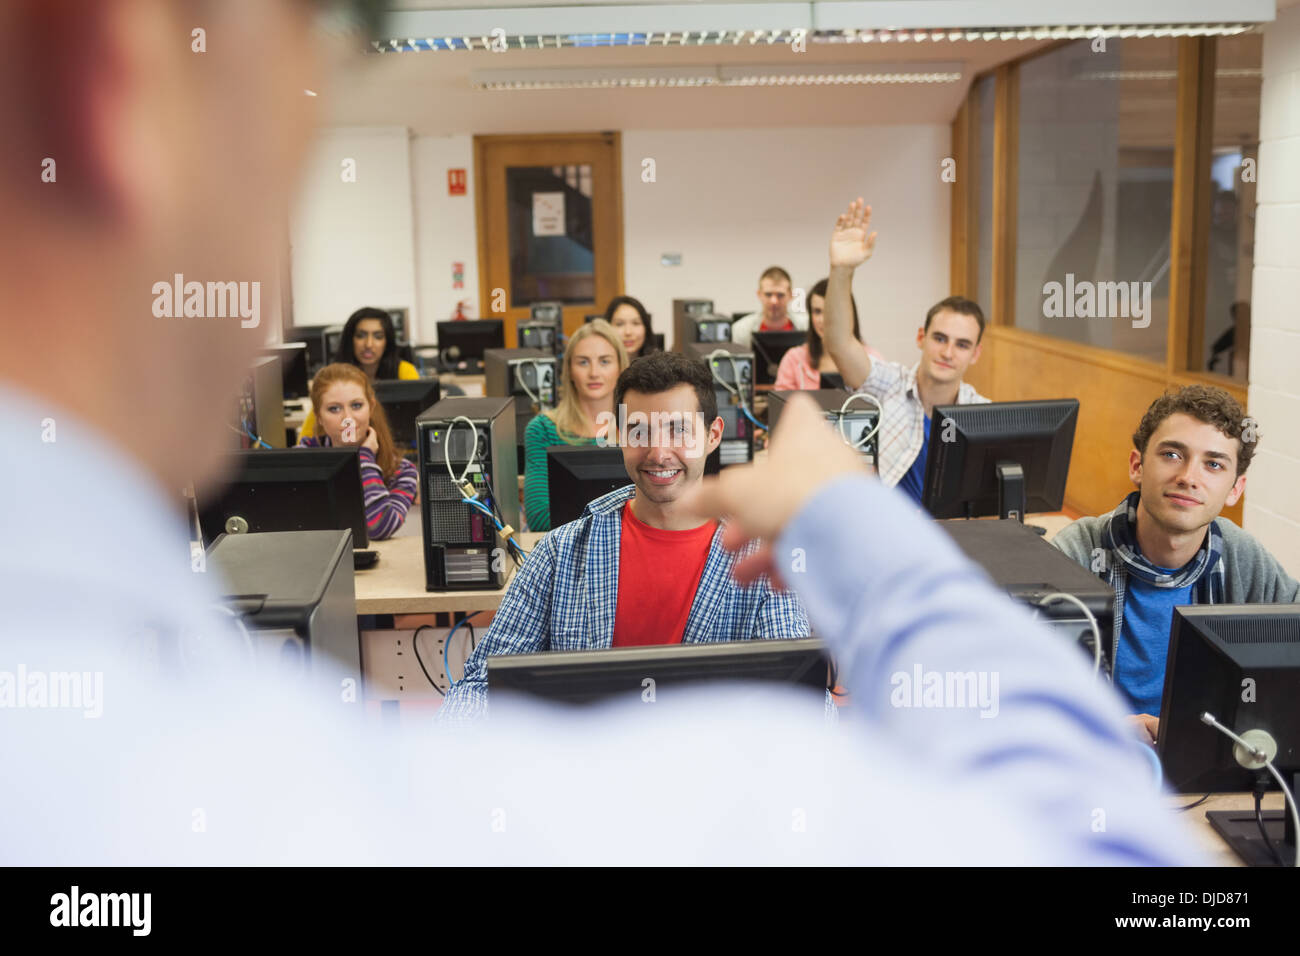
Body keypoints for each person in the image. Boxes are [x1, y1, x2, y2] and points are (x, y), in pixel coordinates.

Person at [0, 0, 1201, 868]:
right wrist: (856, 524)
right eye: (325, 32)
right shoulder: (566, 571)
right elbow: (1105, 829)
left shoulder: (245, 781)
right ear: (120, 64)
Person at [441, 351, 810, 720]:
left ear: (713, 436)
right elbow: (481, 684)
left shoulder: (760, 560)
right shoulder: (561, 552)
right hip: (586, 761)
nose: (658, 452)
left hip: (706, 767)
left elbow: (802, 699)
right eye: (639, 431)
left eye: (678, 429)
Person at [1051, 385, 1299, 744]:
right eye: (1172, 454)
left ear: (1235, 489)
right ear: (1137, 465)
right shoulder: (1076, 552)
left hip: (1207, 764)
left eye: (1213, 464)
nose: (1188, 477)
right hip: (1094, 758)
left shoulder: (1242, 558)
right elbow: (1022, 680)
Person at [823, 198, 990, 504]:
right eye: (940, 338)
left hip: (954, 539)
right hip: (888, 534)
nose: (948, 352)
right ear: (921, 338)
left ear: (975, 354)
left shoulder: (985, 416)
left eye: (962, 344)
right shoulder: (888, 384)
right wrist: (842, 270)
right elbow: (839, 342)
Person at [523, 319, 628, 531]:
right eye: (583, 362)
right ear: (569, 370)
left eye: (605, 361)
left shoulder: (640, 428)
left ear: (621, 367)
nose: (594, 373)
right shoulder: (543, 429)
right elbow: (539, 517)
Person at [298, 364, 418, 541]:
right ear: (319, 417)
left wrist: (364, 458)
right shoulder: (301, 460)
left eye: (356, 405)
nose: (348, 418)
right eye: (334, 409)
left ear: (371, 407)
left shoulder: (402, 471)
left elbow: (379, 528)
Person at [301, 307, 419, 441]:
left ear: (387, 342)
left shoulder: (404, 371)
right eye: (361, 336)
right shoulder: (335, 378)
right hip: (346, 452)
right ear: (350, 340)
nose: (368, 344)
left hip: (400, 451)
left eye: (378, 336)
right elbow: (307, 434)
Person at [774, 277, 883, 390]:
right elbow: (780, 406)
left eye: (830, 311)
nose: (822, 320)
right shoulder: (794, 360)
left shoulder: (872, 360)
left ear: (848, 314)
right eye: (817, 311)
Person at [729, 266, 808, 349]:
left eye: (780, 295)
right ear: (759, 294)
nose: (774, 301)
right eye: (768, 294)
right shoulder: (740, 331)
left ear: (791, 295)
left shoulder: (808, 327)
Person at [603, 295, 657, 359]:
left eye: (636, 323)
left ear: (646, 328)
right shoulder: (598, 368)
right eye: (619, 324)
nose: (628, 332)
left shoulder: (660, 366)